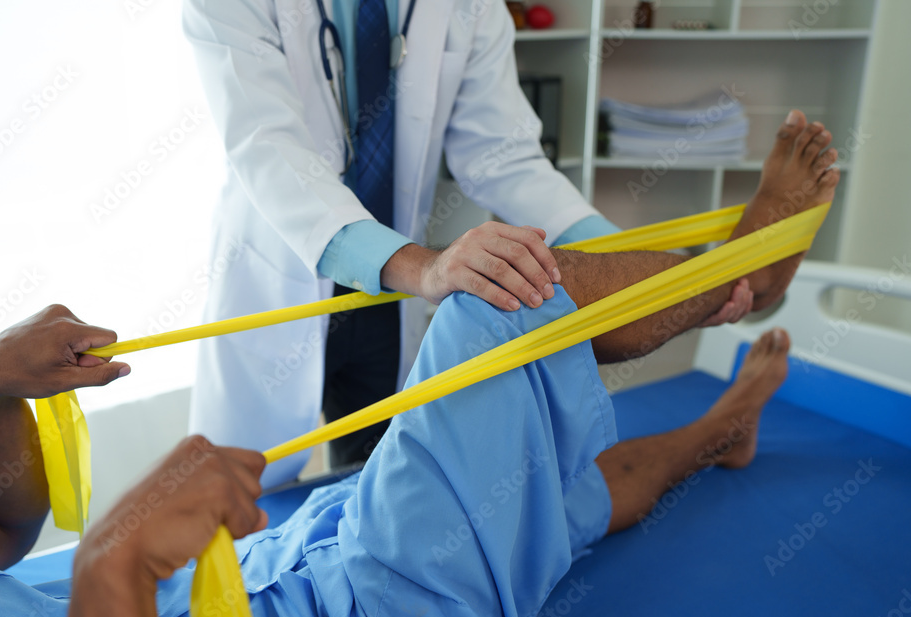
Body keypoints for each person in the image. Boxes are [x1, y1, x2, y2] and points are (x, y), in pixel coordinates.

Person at [0, 112, 837, 617]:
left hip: (303, 555)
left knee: (551, 500)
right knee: (499, 300)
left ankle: (725, 424)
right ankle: (739, 281)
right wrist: (111, 569)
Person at [180, 0, 753, 482]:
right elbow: (267, 150)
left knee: (381, 492)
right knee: (235, 509)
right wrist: (422, 267)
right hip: (283, 285)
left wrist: (634, 264)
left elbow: (504, 157)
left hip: (389, 301)